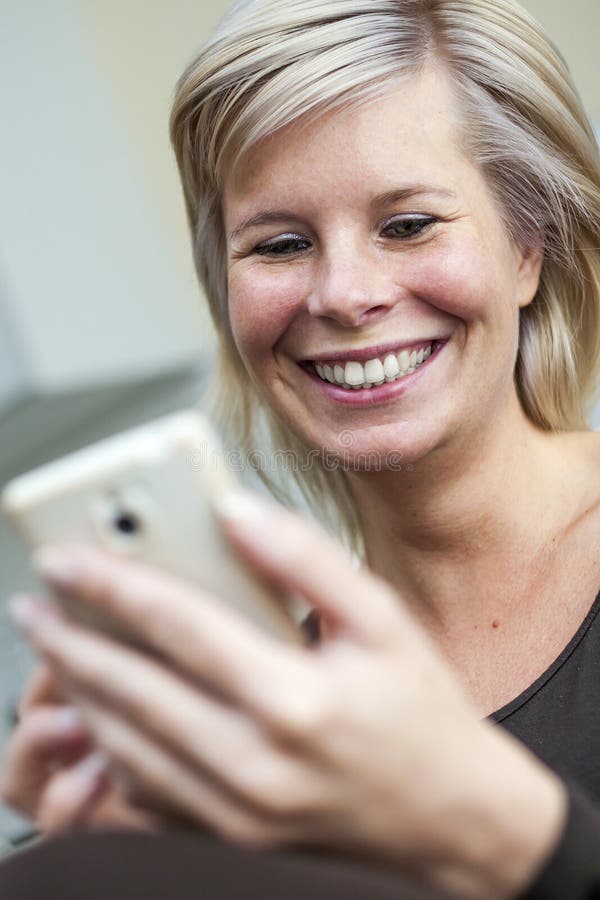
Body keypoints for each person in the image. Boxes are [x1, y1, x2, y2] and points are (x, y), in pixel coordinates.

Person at [2, 0, 600, 897]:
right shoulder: (266, 713)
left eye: (409, 224)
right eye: (280, 245)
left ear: (525, 250)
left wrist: (516, 836)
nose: (345, 295)